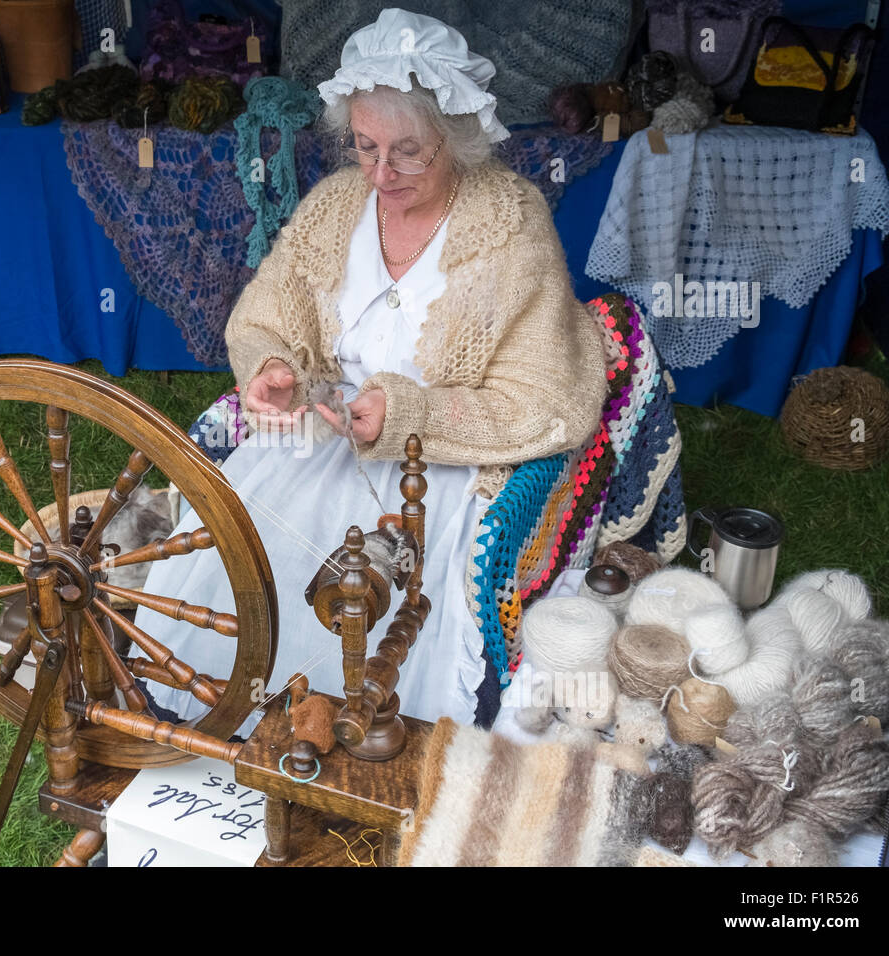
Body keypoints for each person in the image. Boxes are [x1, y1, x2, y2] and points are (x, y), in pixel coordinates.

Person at [132, 8, 608, 731]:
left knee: (385, 625)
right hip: (319, 440)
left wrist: (407, 416)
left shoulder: (512, 225)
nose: (381, 172)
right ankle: (238, 730)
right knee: (244, 575)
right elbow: (265, 315)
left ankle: (355, 743)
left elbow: (547, 400)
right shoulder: (334, 208)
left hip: (435, 467)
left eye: (408, 152)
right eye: (364, 146)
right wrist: (273, 369)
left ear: (455, 139)